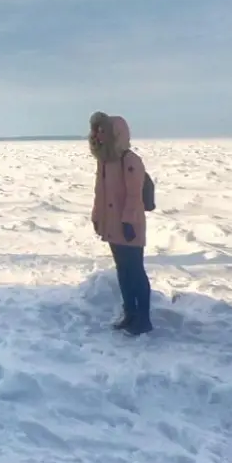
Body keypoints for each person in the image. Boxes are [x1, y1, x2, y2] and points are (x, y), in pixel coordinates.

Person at [89, 112, 152, 335]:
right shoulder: (105, 162)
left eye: (103, 130)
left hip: (129, 226)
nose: (98, 135)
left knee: (135, 271)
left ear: (116, 134)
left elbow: (134, 196)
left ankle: (143, 318)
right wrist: (97, 217)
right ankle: (130, 313)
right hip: (112, 226)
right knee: (123, 271)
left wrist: (128, 222)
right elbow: (101, 195)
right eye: (96, 130)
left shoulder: (130, 160)